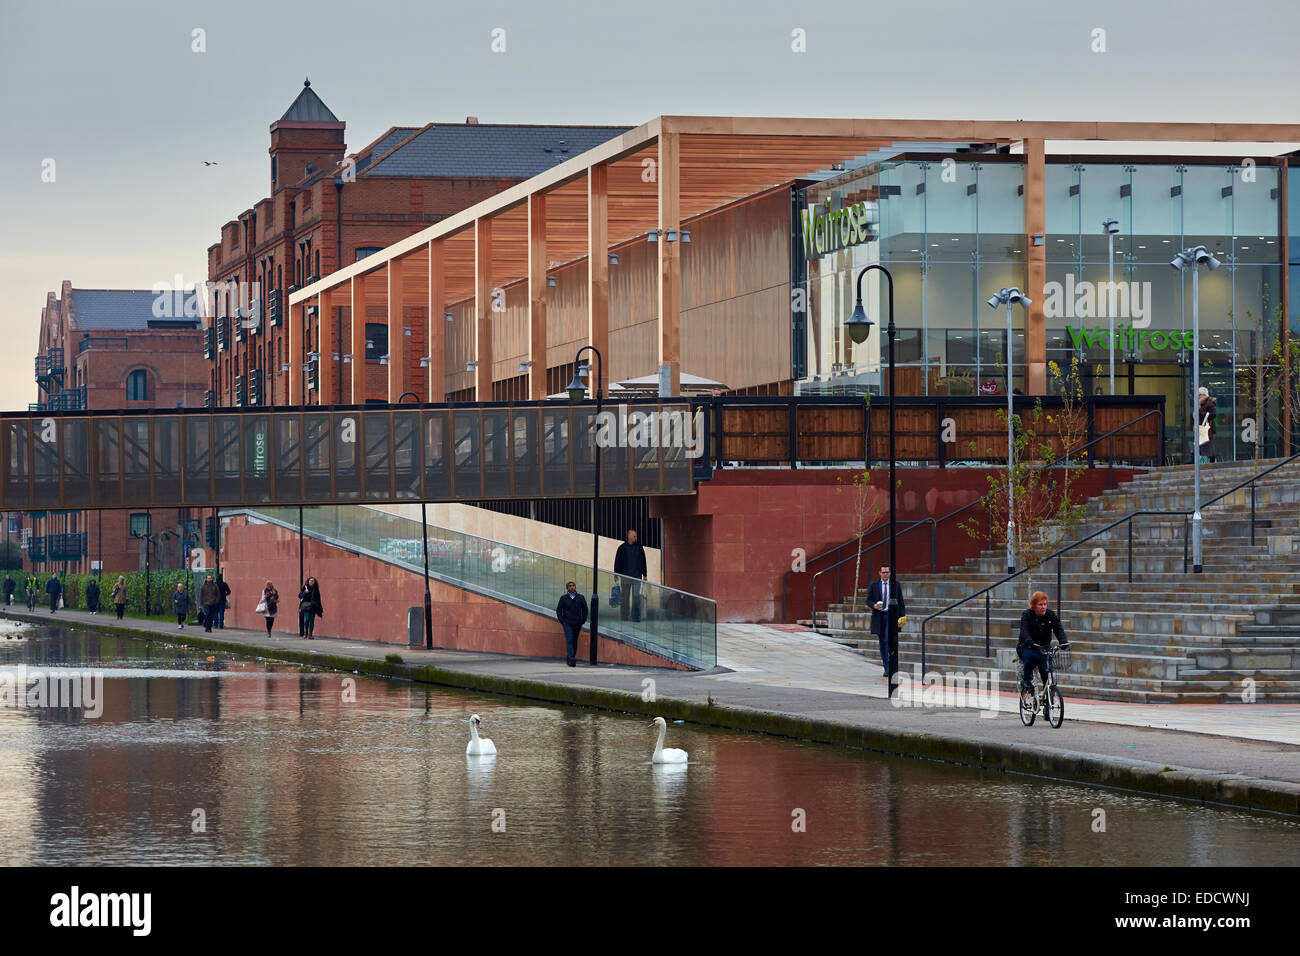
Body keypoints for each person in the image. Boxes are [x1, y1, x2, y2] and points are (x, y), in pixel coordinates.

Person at [1017, 591, 1070, 694]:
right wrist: (1029, 641)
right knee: (1033, 657)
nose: (1043, 607)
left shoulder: (1050, 615)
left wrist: (1063, 642)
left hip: (1044, 648)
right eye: (1040, 604)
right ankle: (1026, 680)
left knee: (1047, 670)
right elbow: (1024, 631)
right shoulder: (1027, 615)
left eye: (1045, 604)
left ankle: (1048, 699)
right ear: (1033, 606)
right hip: (1027, 646)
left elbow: (1058, 629)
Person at [867, 565, 906, 697]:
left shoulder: (895, 584)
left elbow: (901, 601)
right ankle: (887, 668)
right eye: (883, 572)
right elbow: (868, 600)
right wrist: (874, 605)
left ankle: (892, 665)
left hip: (891, 616)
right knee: (883, 642)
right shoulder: (874, 585)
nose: (885, 574)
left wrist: (902, 616)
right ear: (879, 573)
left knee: (892, 641)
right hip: (880, 616)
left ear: (890, 573)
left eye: (887, 572)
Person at [613, 529, 648, 623]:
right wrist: (616, 573)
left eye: (636, 536)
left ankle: (635, 617)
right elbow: (617, 561)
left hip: (636, 576)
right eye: (634, 536)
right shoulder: (622, 548)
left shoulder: (639, 548)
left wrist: (645, 574)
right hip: (625, 576)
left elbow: (643, 561)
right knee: (625, 597)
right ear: (629, 537)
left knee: (636, 597)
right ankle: (624, 616)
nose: (636, 538)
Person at [555, 580, 589, 667]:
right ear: (567, 588)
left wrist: (582, 620)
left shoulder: (581, 598)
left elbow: (585, 609)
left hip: (577, 623)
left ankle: (570, 658)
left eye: (573, 585)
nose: (572, 587)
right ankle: (572, 659)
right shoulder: (563, 598)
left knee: (574, 641)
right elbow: (559, 610)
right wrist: (562, 620)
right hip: (567, 623)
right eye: (570, 586)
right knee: (569, 639)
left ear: (575, 587)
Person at [1197, 386, 1217, 463]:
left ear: (1203, 395)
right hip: (1202, 428)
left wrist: (1200, 411)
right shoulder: (1202, 404)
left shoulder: (1209, 403)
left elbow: (1213, 414)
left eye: (1199, 395)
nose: (1198, 397)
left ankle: (1211, 461)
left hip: (1207, 429)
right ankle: (1210, 460)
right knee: (1202, 446)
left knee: (1207, 446)